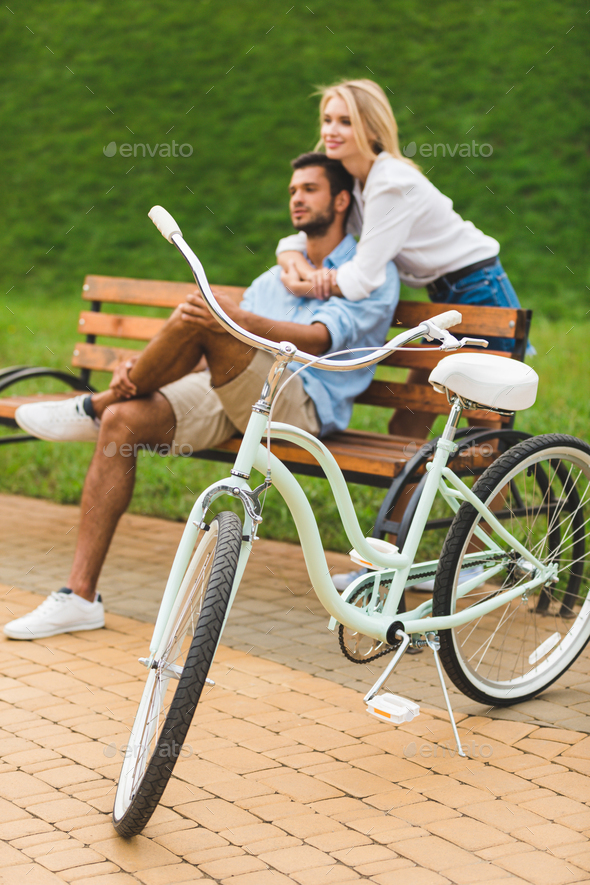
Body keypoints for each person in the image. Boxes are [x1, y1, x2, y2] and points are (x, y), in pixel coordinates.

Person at [6, 152, 400, 640]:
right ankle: (79, 597)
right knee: (123, 422)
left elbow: (318, 338)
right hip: (234, 392)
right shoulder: (275, 274)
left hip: (298, 402)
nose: (296, 197)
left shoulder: (369, 273)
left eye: (310, 189)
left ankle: (92, 404)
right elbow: (216, 350)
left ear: (341, 199)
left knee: (201, 309)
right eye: (293, 189)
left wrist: (222, 317)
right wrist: (150, 368)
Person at [276, 78, 530, 442]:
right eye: (327, 119)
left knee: (484, 430)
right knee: (408, 425)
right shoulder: (359, 182)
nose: (331, 130)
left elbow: (361, 279)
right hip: (445, 298)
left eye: (345, 121)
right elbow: (301, 235)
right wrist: (291, 259)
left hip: (479, 291)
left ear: (371, 127)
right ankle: (432, 498)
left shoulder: (389, 182)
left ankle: (498, 498)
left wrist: (313, 282)